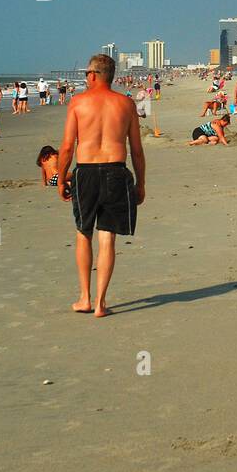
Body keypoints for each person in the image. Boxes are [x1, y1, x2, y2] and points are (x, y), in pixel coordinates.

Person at [57, 53, 145, 318]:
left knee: (84, 233)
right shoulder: (126, 104)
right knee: (107, 238)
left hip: (86, 173)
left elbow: (66, 147)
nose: (85, 78)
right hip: (117, 171)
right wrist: (141, 183)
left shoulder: (78, 103)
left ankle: (85, 297)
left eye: (86, 74)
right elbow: (137, 150)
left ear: (93, 75)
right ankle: (101, 302)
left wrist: (61, 179)